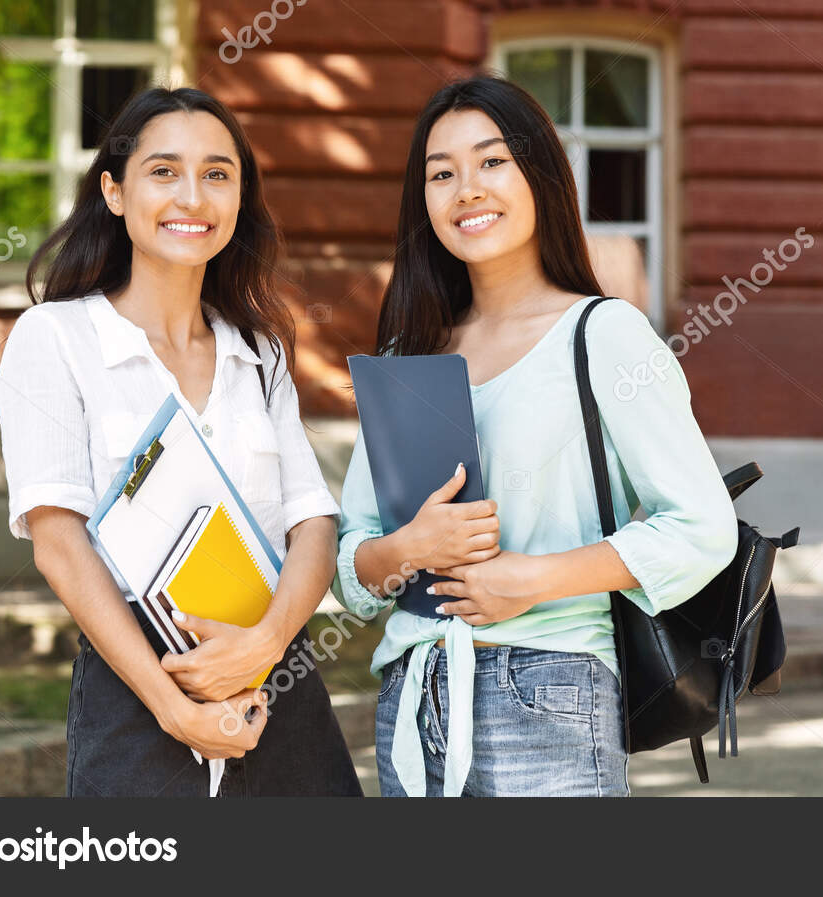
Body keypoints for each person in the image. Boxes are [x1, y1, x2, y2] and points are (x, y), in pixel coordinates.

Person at [336, 76, 737, 797]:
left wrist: (533, 579)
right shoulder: (405, 358)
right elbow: (353, 569)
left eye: (492, 161)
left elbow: (704, 527)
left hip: (547, 687)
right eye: (441, 173)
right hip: (414, 694)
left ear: (540, 174)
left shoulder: (603, 335)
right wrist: (405, 549)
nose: (467, 189)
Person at [0, 87, 361, 797]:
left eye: (218, 174)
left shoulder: (259, 351)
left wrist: (265, 643)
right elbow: (58, 544)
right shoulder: (56, 338)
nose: (192, 196)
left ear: (240, 198)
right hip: (140, 686)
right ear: (114, 190)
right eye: (163, 171)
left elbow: (313, 520)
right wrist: (172, 707)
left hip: (275, 672)